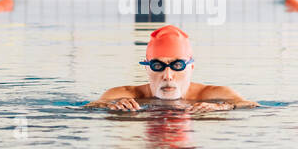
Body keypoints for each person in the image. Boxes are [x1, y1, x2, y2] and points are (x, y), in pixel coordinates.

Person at [88, 25, 257, 112]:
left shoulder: (211, 95)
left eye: (177, 66)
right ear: (147, 68)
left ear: (191, 67)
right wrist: (111, 107)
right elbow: (91, 107)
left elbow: (250, 106)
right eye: (157, 66)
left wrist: (224, 107)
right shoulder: (124, 94)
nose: (168, 76)